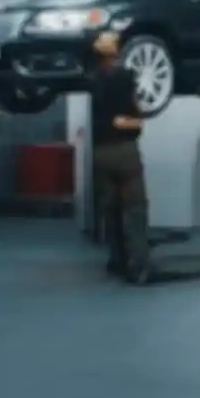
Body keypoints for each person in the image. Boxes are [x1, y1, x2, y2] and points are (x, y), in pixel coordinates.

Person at [89, 32, 156, 284]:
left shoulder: (90, 81)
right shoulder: (125, 78)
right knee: (134, 209)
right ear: (115, 53)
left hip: (99, 152)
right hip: (124, 151)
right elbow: (136, 118)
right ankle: (139, 265)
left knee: (111, 209)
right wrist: (132, 122)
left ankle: (116, 260)